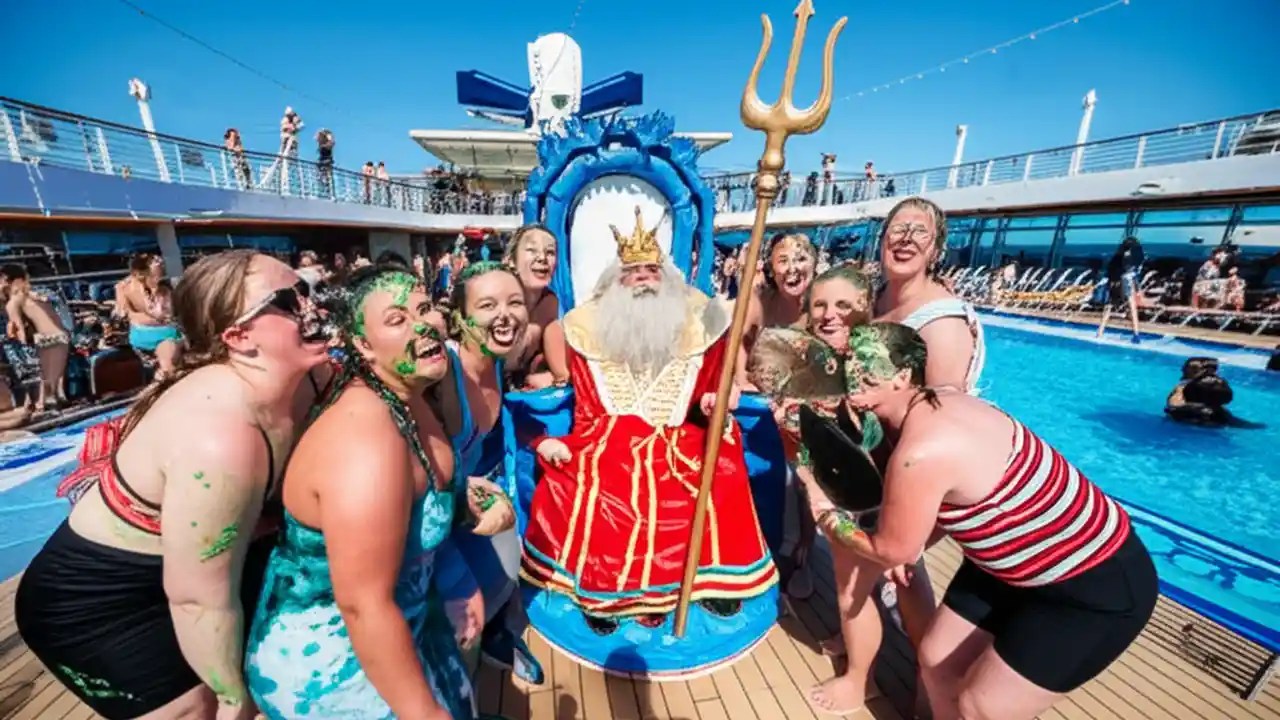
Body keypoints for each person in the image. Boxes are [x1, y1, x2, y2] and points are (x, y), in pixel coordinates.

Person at [16, 250, 330, 720]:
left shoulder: (316, 376)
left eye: (306, 291)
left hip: (213, 572)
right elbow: (200, 599)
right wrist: (232, 697)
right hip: (100, 606)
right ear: (238, 337)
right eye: (288, 300)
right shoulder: (220, 439)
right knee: (197, 709)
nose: (311, 308)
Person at [808, 321, 1158, 720]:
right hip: (1011, 565)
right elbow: (949, 507)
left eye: (867, 373)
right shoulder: (937, 401)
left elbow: (891, 550)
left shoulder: (921, 450)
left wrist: (829, 519)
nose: (854, 386)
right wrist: (914, 543)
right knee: (936, 660)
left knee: (983, 705)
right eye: (850, 368)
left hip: (1092, 584)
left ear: (903, 375)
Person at [520, 206, 778, 630]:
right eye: (632, 271)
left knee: (720, 467)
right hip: (608, 434)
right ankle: (607, 592)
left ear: (669, 277)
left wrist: (718, 399)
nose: (643, 278)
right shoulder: (585, 326)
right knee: (602, 486)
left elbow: (716, 378)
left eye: (651, 271)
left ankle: (710, 584)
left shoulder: (702, 320)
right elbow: (584, 401)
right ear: (615, 282)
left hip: (683, 433)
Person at [246, 264, 481, 719]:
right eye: (396, 320)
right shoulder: (365, 438)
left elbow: (413, 507)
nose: (423, 324)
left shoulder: (411, 394)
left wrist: (466, 509)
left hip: (408, 620)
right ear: (362, 346)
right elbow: (362, 605)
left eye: (425, 308)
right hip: (332, 663)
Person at [429, 260, 544, 685]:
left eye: (515, 302)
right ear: (459, 316)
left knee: (508, 571)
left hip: (474, 507)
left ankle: (496, 637)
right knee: (462, 617)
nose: (505, 314)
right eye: (487, 305)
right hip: (430, 524)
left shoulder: (496, 359)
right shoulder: (443, 377)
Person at [737, 232, 820, 388]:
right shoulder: (759, 301)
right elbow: (737, 342)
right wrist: (742, 381)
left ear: (814, 265)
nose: (792, 268)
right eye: (783, 261)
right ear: (771, 270)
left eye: (801, 259)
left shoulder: (825, 305)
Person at [502, 224, 568, 390]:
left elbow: (562, 373)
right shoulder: (499, 301)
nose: (542, 258)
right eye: (532, 250)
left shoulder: (549, 301)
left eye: (550, 252)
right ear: (511, 261)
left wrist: (554, 377)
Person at [3, 263, 71, 411]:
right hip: (60, 335)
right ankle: (54, 401)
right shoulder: (30, 295)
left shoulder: (12, 303)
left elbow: (19, 330)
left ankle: (41, 406)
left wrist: (14, 336)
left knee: (38, 374)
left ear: (7, 281)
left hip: (45, 338)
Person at [116, 254, 183, 379]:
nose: (160, 264)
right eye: (155, 273)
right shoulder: (126, 288)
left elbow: (167, 314)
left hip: (153, 334)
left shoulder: (163, 290)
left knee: (167, 365)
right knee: (168, 366)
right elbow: (123, 313)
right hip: (155, 335)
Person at [1097, 236, 1145, 341]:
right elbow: (1130, 272)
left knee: (1109, 307)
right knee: (1132, 306)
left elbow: (1110, 272)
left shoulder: (1116, 257)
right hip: (1124, 280)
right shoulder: (1129, 256)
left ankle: (1100, 332)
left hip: (1114, 282)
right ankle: (1136, 334)